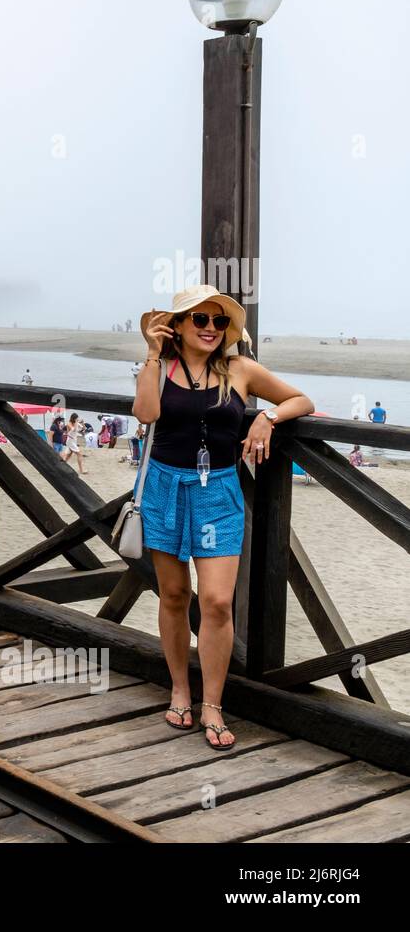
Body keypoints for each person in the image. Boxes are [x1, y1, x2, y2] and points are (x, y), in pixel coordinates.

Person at [136, 285, 313, 751]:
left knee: (215, 601)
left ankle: (212, 702)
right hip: (164, 488)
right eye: (200, 319)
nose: (211, 328)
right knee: (175, 594)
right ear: (177, 326)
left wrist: (267, 418)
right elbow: (145, 412)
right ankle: (179, 690)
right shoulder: (161, 366)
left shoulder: (240, 369)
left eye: (219, 322)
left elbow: (301, 400)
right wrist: (153, 355)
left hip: (218, 491)